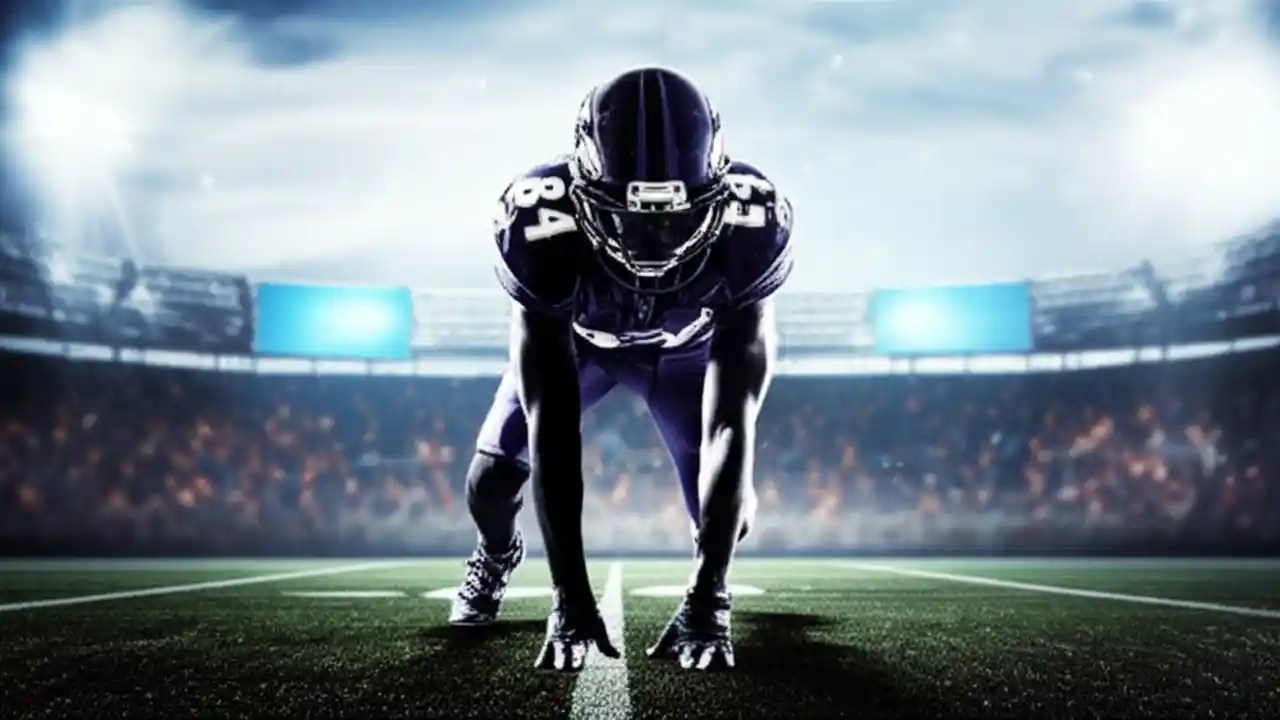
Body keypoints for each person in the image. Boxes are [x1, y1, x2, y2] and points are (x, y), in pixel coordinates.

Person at [449, 66, 793, 672]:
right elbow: (552, 423)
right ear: (580, 192)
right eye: (633, 217)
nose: (656, 239)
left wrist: (710, 597)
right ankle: (497, 553)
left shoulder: (750, 227)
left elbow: (730, 424)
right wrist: (569, 596)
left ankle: (709, 568)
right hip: (579, 346)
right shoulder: (541, 228)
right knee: (490, 483)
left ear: (716, 189)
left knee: (729, 518)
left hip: (685, 351)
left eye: (675, 215)